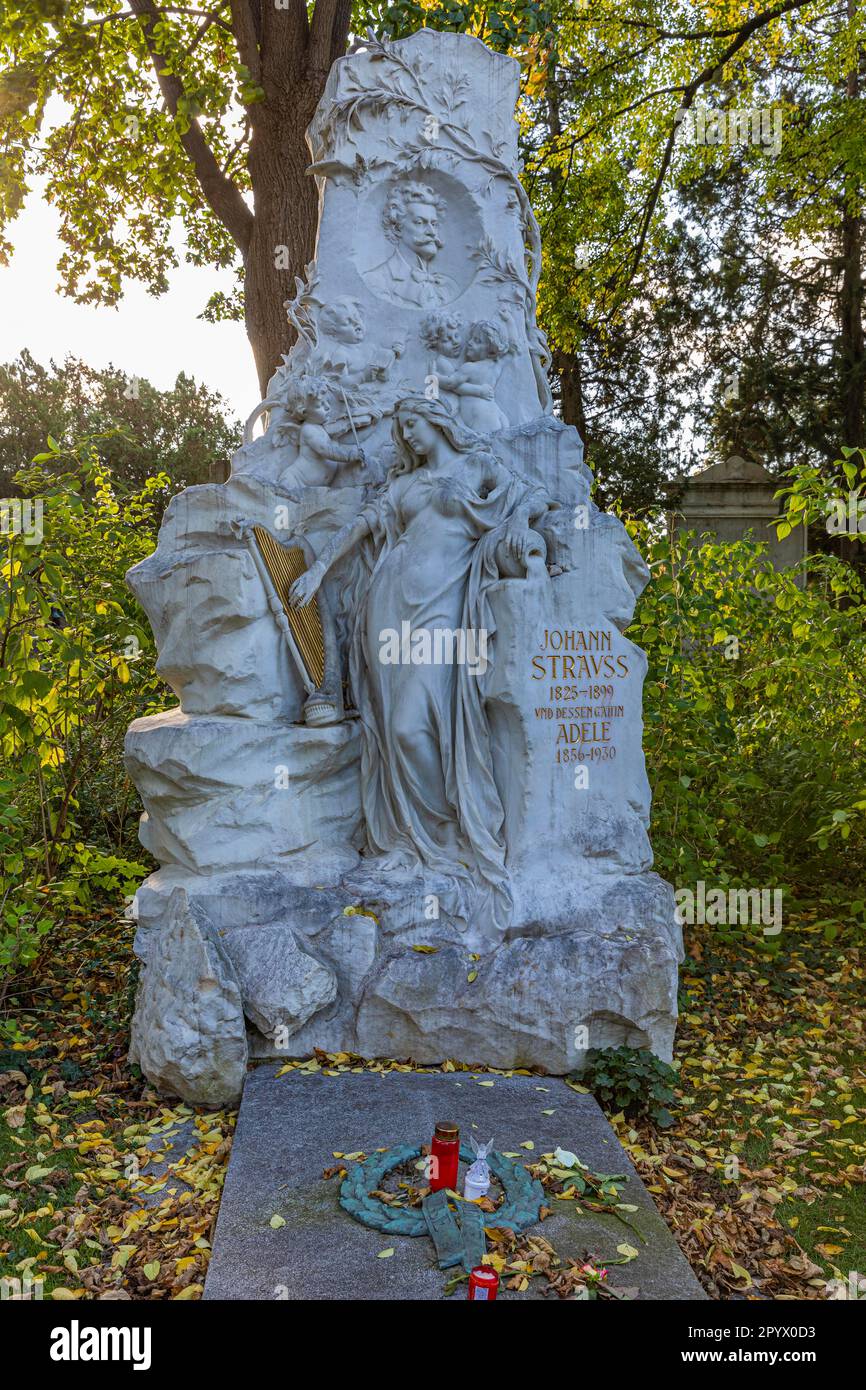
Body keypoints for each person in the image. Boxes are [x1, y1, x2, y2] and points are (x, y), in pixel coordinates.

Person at [288, 394, 549, 939]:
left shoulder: (476, 465)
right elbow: (361, 527)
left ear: (436, 422)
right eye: (401, 430)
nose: (406, 436)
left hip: (443, 604)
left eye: (412, 424)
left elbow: (532, 494)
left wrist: (521, 524)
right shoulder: (403, 486)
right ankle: (411, 840)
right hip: (389, 603)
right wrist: (317, 569)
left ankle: (447, 834)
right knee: (393, 726)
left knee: (412, 725)